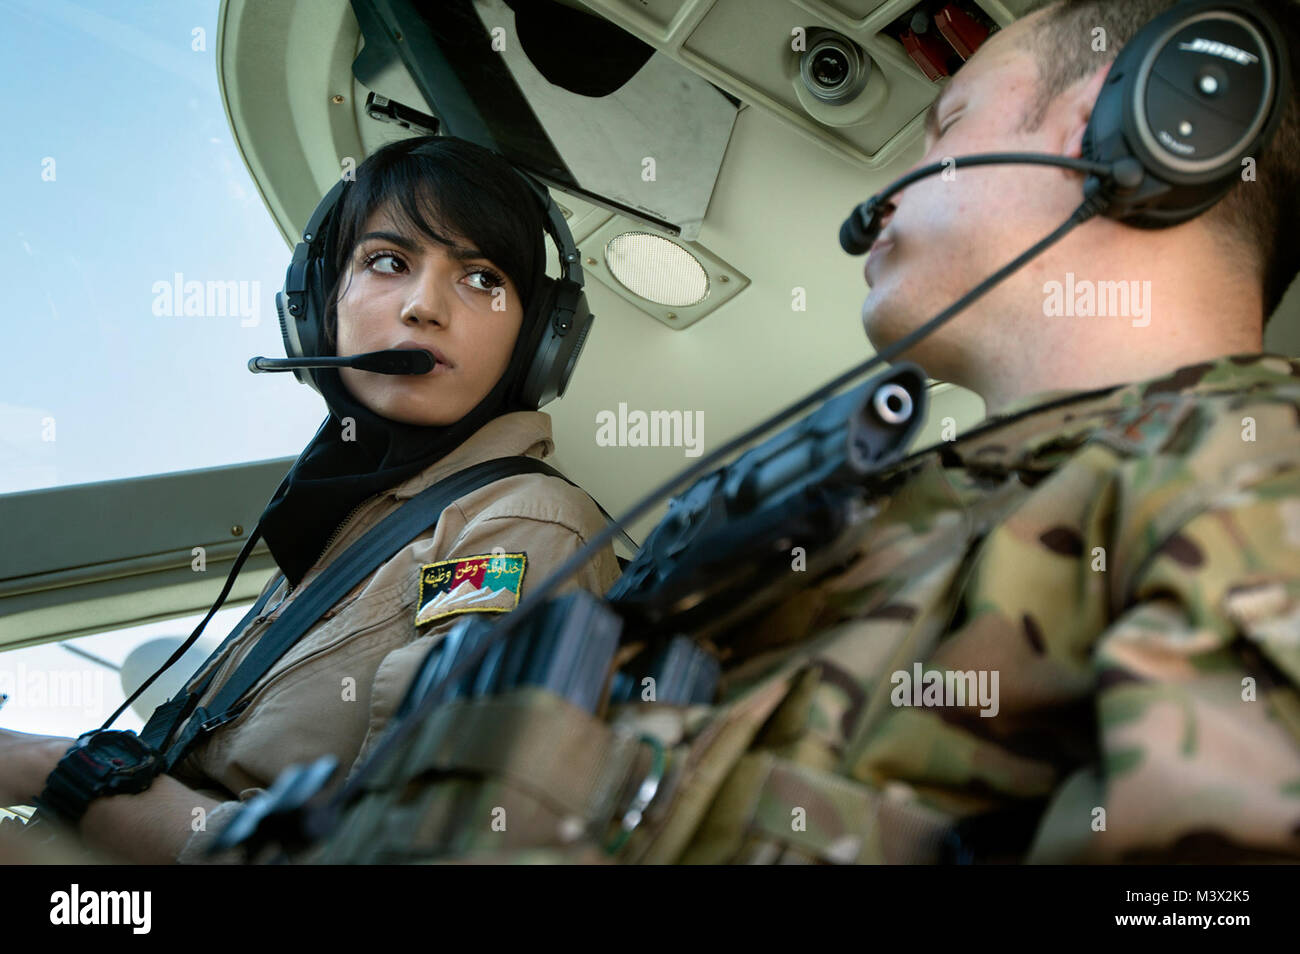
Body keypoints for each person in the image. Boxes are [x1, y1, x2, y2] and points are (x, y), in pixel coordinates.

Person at [303, 0, 1300, 864]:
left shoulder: (1261, 491)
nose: (877, 208)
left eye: (944, 124)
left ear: (1147, 125)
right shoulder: (948, 514)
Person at [0, 135, 623, 864]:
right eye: (387, 262)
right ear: (318, 303)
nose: (424, 307)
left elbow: (399, 857)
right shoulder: (353, 528)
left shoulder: (522, 523)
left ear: (541, 340)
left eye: (481, 278)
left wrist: (53, 766)